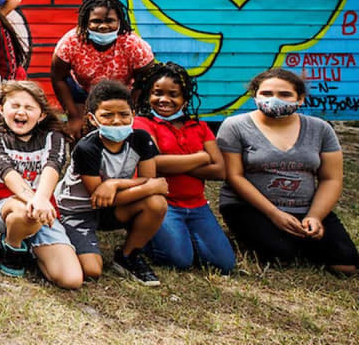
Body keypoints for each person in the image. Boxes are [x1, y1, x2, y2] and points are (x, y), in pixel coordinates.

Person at [218, 69, 357, 275]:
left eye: (285, 95)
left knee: (346, 266)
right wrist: (274, 214)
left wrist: (315, 217)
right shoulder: (235, 126)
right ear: (255, 95)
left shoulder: (321, 129)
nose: (274, 99)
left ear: (300, 99)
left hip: (305, 208)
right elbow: (234, 176)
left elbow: (331, 179)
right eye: (266, 93)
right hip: (250, 207)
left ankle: (303, 237)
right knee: (281, 254)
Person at [55, 80, 168, 286]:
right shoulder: (87, 148)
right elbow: (100, 199)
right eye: (107, 115)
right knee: (92, 270)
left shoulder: (141, 139)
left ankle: (128, 257)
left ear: (133, 113)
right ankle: (60, 239)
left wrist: (114, 184)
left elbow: (149, 186)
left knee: (156, 202)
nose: (117, 121)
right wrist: (146, 185)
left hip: (110, 205)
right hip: (77, 211)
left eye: (124, 114)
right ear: (92, 118)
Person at [134, 62, 235, 273]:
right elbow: (154, 164)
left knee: (224, 264)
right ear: (148, 95)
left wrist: (170, 163)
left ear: (185, 99)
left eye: (173, 94)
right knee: (179, 260)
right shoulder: (142, 124)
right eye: (157, 93)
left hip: (197, 205)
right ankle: (145, 238)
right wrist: (201, 157)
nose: (164, 99)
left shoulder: (199, 127)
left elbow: (219, 170)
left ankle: (183, 237)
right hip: (164, 203)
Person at [0, 80, 82, 288]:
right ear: (1, 109)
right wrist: (36, 201)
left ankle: (32, 248)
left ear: (42, 115)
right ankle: (12, 246)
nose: (21, 112)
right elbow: (8, 173)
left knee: (71, 280)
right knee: (22, 212)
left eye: (29, 107)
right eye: (15, 106)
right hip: (5, 207)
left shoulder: (54, 137)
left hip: (43, 210)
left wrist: (42, 199)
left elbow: (52, 167)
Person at [51, 0, 155, 136]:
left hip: (123, 94)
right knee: (80, 132)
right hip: (83, 93)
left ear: (119, 22)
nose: (103, 26)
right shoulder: (71, 42)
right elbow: (59, 78)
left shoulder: (134, 45)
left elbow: (145, 80)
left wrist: (131, 110)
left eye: (109, 21)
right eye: (96, 21)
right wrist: (74, 115)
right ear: (86, 23)